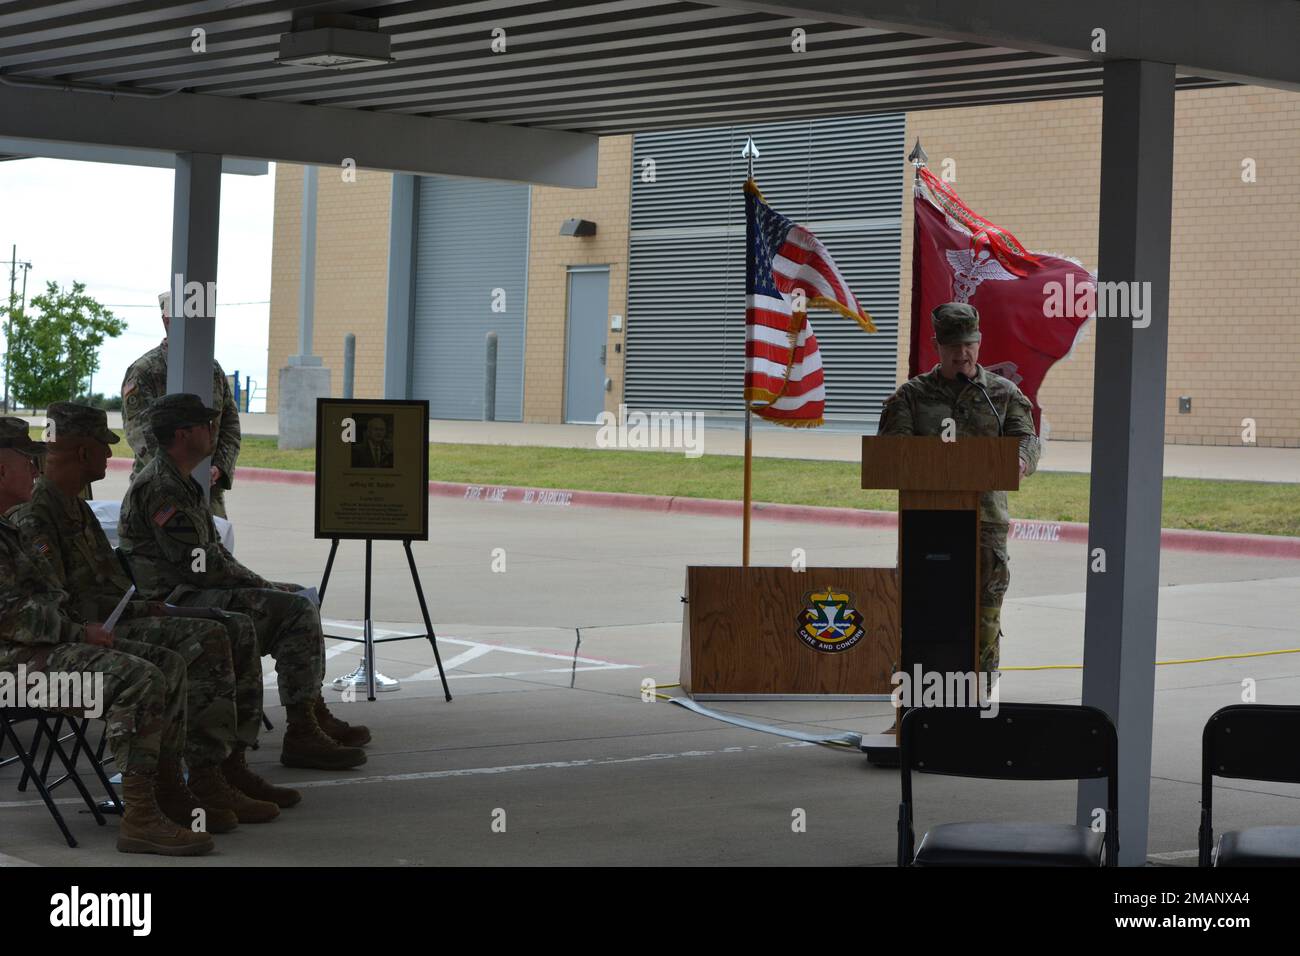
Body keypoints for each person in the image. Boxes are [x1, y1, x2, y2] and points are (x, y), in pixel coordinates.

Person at [11, 401, 295, 820]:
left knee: (227, 627)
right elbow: (56, 603)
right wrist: (120, 617)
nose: (111, 456)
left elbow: (106, 588)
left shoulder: (76, 509)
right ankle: (188, 782)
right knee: (203, 640)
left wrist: (148, 607)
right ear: (85, 452)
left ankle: (219, 769)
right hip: (72, 638)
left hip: (103, 625)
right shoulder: (37, 516)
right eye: (104, 447)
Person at [118, 393, 370, 771]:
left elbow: (212, 559)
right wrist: (263, 585)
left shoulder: (178, 480)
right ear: (184, 434)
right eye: (206, 425)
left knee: (297, 599)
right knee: (296, 608)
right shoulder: (162, 487)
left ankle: (310, 713)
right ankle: (302, 730)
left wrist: (263, 586)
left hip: (195, 589)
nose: (213, 431)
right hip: (178, 599)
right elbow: (202, 566)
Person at [0, 417, 212, 855]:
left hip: (40, 650)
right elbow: (8, 616)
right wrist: (78, 630)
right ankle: (140, 817)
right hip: (14, 671)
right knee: (139, 679)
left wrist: (84, 627)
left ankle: (166, 791)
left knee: (168, 663)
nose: (36, 472)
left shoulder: (10, 528)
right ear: (2, 471)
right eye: (29, 463)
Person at [877, 302, 1041, 676]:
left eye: (968, 345)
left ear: (979, 343)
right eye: (953, 347)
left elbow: (1027, 441)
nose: (962, 354)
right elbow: (891, 454)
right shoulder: (912, 396)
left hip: (985, 523)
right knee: (920, 610)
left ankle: (981, 699)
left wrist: (1019, 461)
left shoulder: (1002, 394)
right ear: (937, 346)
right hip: (927, 524)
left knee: (984, 613)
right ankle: (915, 701)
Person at [121, 291, 240, 518]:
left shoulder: (212, 369)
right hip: (159, 491)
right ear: (167, 320)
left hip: (207, 493)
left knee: (211, 549)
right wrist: (179, 473)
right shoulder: (144, 372)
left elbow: (230, 425)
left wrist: (219, 468)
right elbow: (141, 433)